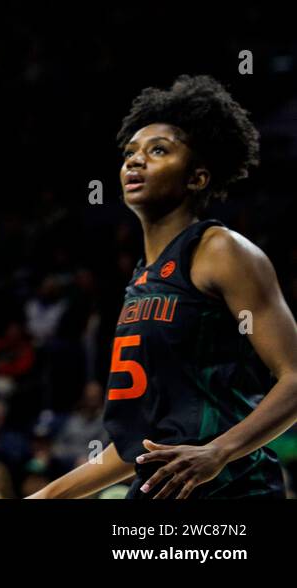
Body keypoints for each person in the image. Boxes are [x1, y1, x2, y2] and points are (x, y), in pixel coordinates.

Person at [30, 75, 297, 499]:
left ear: (197, 178)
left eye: (158, 151)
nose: (136, 161)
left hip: (234, 487)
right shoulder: (142, 280)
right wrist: (47, 496)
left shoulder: (220, 250)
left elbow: (294, 378)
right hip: (162, 488)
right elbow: (135, 445)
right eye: (130, 153)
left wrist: (219, 452)